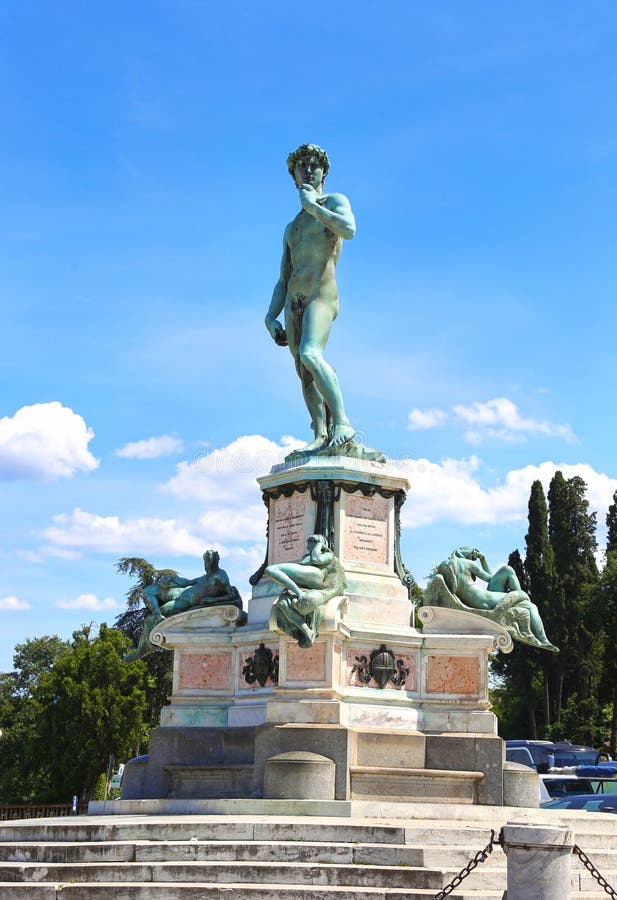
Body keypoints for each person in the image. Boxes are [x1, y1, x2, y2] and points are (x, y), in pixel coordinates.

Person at [265, 143, 356, 453]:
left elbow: (349, 229)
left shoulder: (334, 202)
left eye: (313, 165)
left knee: (310, 354)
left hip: (322, 295)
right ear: (293, 176)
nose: (307, 170)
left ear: (323, 172)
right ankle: (320, 433)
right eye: (301, 166)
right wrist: (270, 314)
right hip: (294, 301)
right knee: (303, 372)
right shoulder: (292, 228)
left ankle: (342, 422)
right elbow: (283, 278)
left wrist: (314, 207)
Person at [430, 546, 558, 652]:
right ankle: (543, 639)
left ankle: (540, 636)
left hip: (482, 600)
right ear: (466, 554)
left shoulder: (447, 567)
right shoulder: (466, 563)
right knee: (529, 605)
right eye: (473, 555)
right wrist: (482, 559)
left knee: (511, 578)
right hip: (488, 600)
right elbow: (489, 578)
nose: (474, 557)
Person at [125, 550, 242, 662]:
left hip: (184, 602)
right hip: (181, 593)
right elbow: (189, 582)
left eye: (208, 562)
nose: (206, 565)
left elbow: (230, 596)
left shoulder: (220, 576)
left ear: (214, 561)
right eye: (205, 562)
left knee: (150, 620)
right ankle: (153, 624)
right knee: (148, 591)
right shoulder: (206, 576)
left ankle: (142, 649)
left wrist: (212, 600)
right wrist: (173, 580)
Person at [266, 534, 347, 647]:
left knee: (271, 569)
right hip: (305, 585)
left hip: (317, 579)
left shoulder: (328, 555)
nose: (308, 543)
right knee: (282, 603)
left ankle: (298, 593)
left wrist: (320, 545)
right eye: (308, 540)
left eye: (311, 540)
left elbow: (316, 559)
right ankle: (307, 630)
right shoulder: (306, 557)